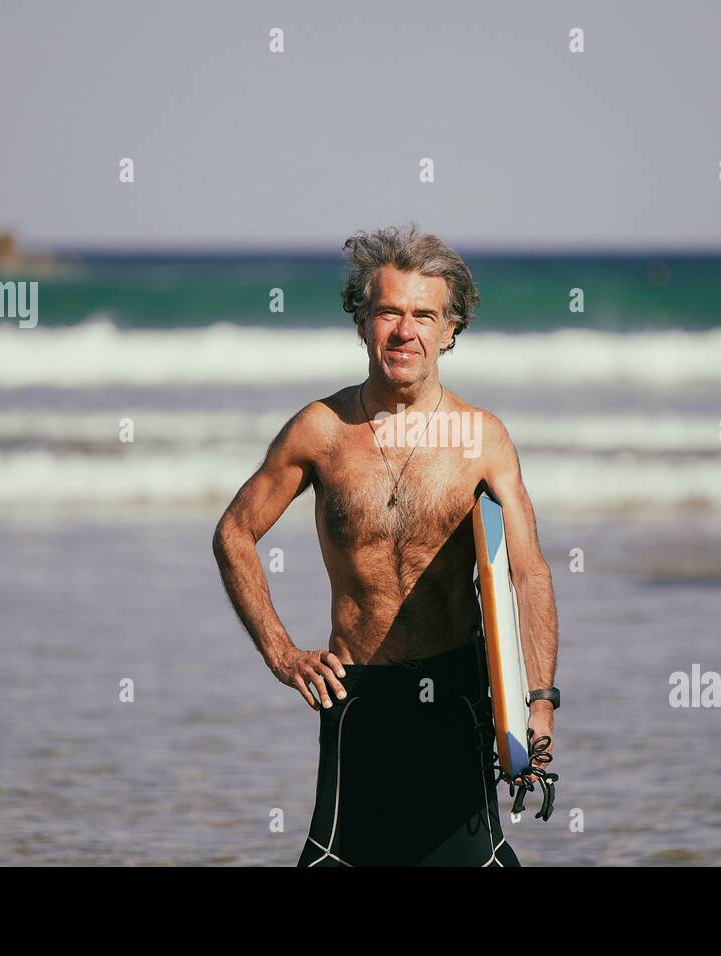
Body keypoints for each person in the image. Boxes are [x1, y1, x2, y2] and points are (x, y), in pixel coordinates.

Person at [212, 224, 560, 866]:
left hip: (458, 698)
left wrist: (537, 704)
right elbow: (234, 532)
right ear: (362, 321)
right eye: (388, 312)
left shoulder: (483, 439)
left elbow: (528, 573)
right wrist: (281, 653)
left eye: (424, 314)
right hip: (358, 700)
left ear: (451, 329)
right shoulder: (320, 431)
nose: (405, 331)